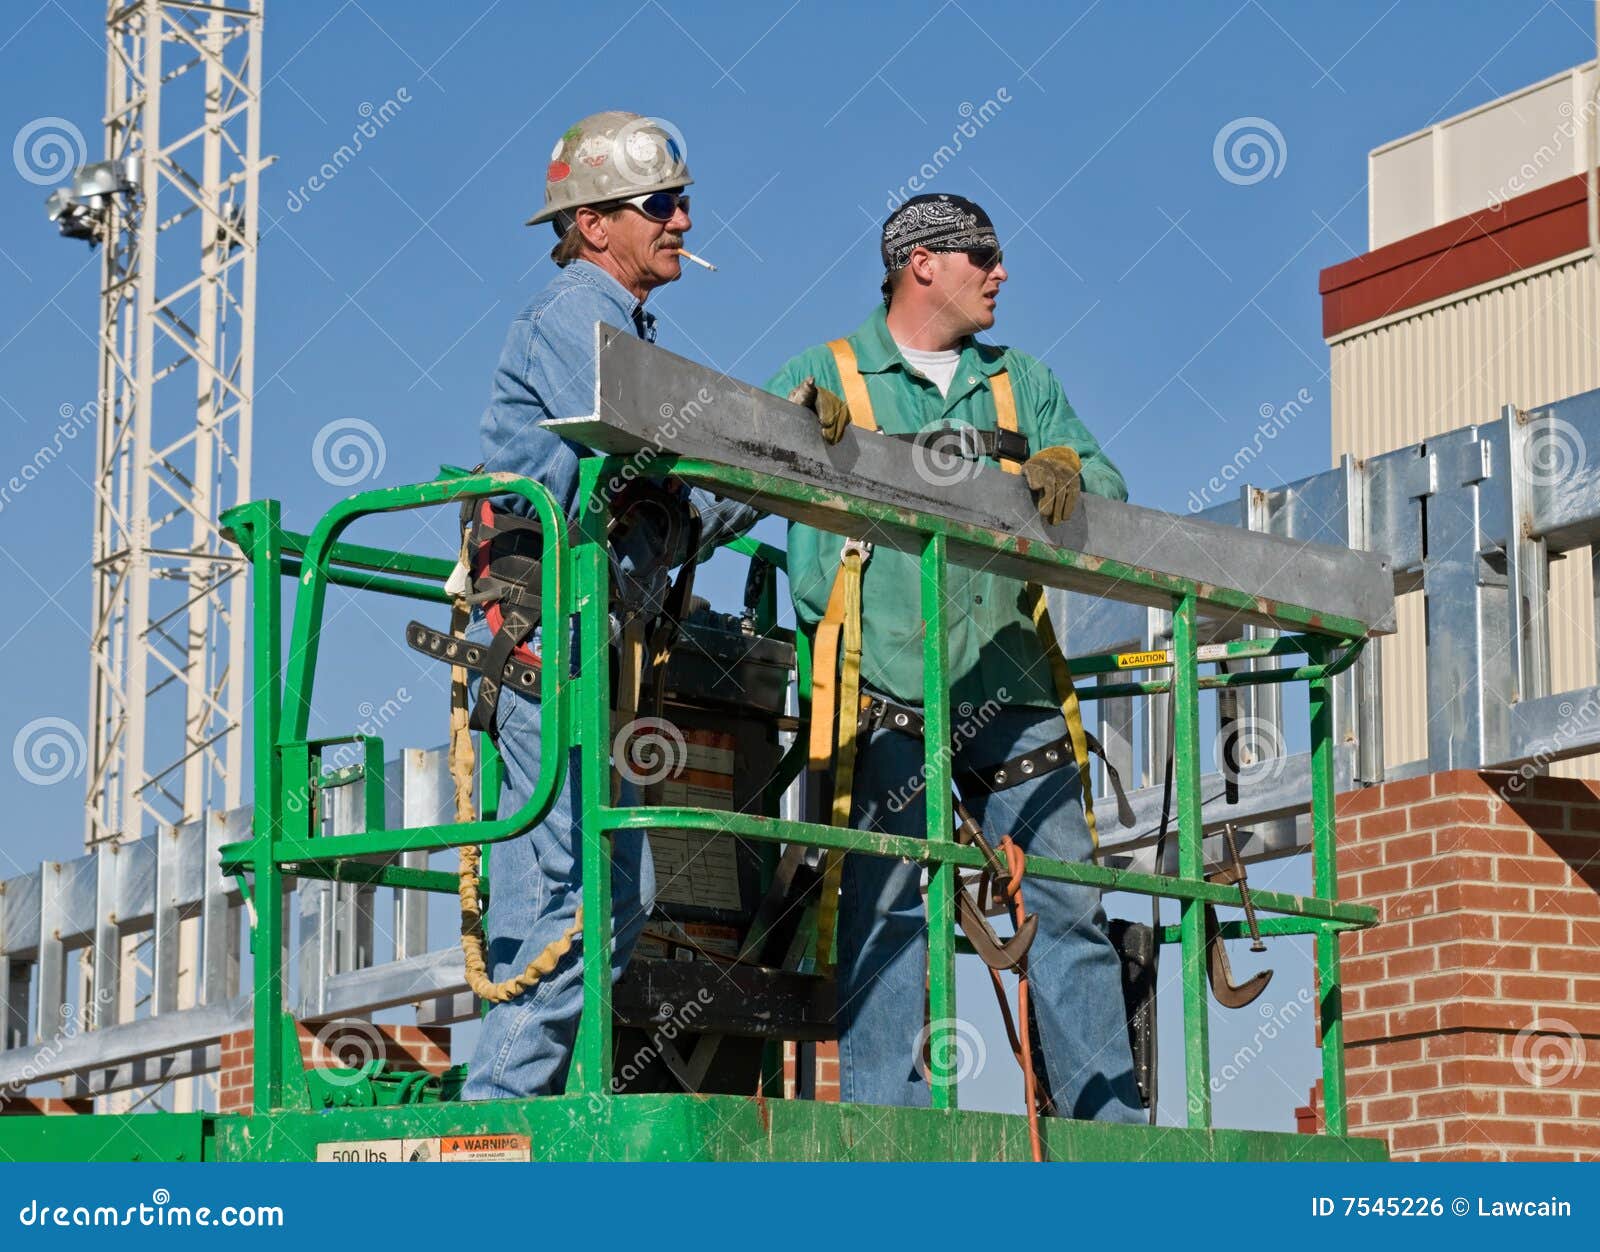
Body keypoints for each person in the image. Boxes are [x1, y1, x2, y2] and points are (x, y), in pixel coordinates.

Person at [765, 192, 1143, 1121]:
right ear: (921, 262)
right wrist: (787, 441)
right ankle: (891, 1130)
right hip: (885, 687)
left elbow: (1113, 492)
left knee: (1071, 906)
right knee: (889, 914)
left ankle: (1107, 1130)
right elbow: (733, 471)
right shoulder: (827, 374)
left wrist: (1069, 473)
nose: (1002, 273)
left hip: (1008, 684)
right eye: (986, 256)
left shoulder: (1022, 384)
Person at [460, 111, 757, 1099]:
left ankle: (515, 1106)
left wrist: (765, 463)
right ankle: (492, 1126)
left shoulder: (619, 331)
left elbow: (672, 497)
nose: (681, 221)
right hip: (546, 637)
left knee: (607, 905)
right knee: (570, 902)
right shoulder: (572, 320)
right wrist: (754, 448)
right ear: (594, 225)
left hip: (594, 652)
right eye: (662, 205)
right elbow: (652, 456)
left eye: (683, 203)